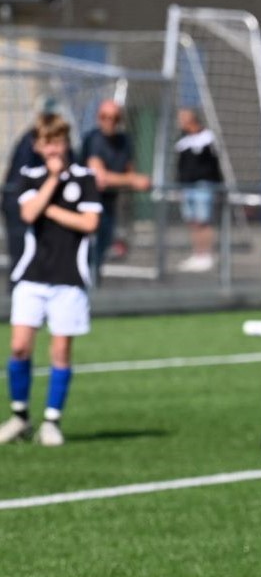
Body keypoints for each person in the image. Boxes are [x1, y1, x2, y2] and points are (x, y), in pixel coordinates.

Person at [0, 114, 102, 447]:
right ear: (38, 146)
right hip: (32, 276)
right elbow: (29, 214)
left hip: (69, 278)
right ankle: (20, 417)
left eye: (59, 141)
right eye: (48, 142)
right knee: (19, 347)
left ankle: (51, 421)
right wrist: (52, 181)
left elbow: (90, 223)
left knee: (60, 350)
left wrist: (54, 212)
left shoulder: (85, 178)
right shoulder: (30, 177)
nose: (54, 148)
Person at [81, 99, 151, 281]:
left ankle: (93, 286)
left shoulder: (124, 141)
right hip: (87, 205)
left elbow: (130, 171)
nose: (109, 121)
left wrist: (127, 179)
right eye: (104, 117)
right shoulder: (93, 139)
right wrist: (130, 180)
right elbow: (100, 178)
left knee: (101, 250)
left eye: (114, 118)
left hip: (109, 205)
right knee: (87, 252)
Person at [2, 98, 63, 285]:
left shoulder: (61, 148)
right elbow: (23, 181)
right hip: (19, 207)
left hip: (40, 207)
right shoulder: (29, 142)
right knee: (22, 259)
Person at [174, 106, 223, 273]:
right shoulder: (182, 141)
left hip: (203, 185)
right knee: (193, 221)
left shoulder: (207, 137)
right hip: (187, 187)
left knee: (203, 221)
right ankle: (197, 253)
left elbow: (214, 164)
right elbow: (181, 166)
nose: (180, 121)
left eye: (183, 117)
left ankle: (206, 255)